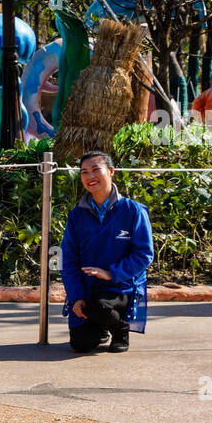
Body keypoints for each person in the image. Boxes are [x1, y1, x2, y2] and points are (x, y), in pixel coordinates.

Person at [60, 151, 154, 353]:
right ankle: (101, 327)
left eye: (96, 170)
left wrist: (111, 273)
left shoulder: (133, 210)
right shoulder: (76, 215)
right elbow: (68, 260)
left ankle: (120, 329)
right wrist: (76, 297)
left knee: (99, 306)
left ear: (111, 172)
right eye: (84, 172)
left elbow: (144, 254)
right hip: (88, 288)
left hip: (121, 287)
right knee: (82, 344)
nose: (90, 177)